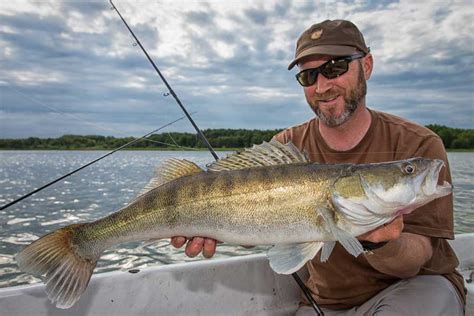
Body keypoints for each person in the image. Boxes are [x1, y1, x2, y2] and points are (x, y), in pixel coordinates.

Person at [171, 20, 465, 315]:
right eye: (309, 76)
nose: (322, 86)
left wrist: (381, 242)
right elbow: (269, 233)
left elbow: (415, 261)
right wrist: (215, 227)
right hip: (323, 304)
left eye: (335, 68)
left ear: (367, 66)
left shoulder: (419, 144)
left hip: (415, 289)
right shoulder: (286, 147)